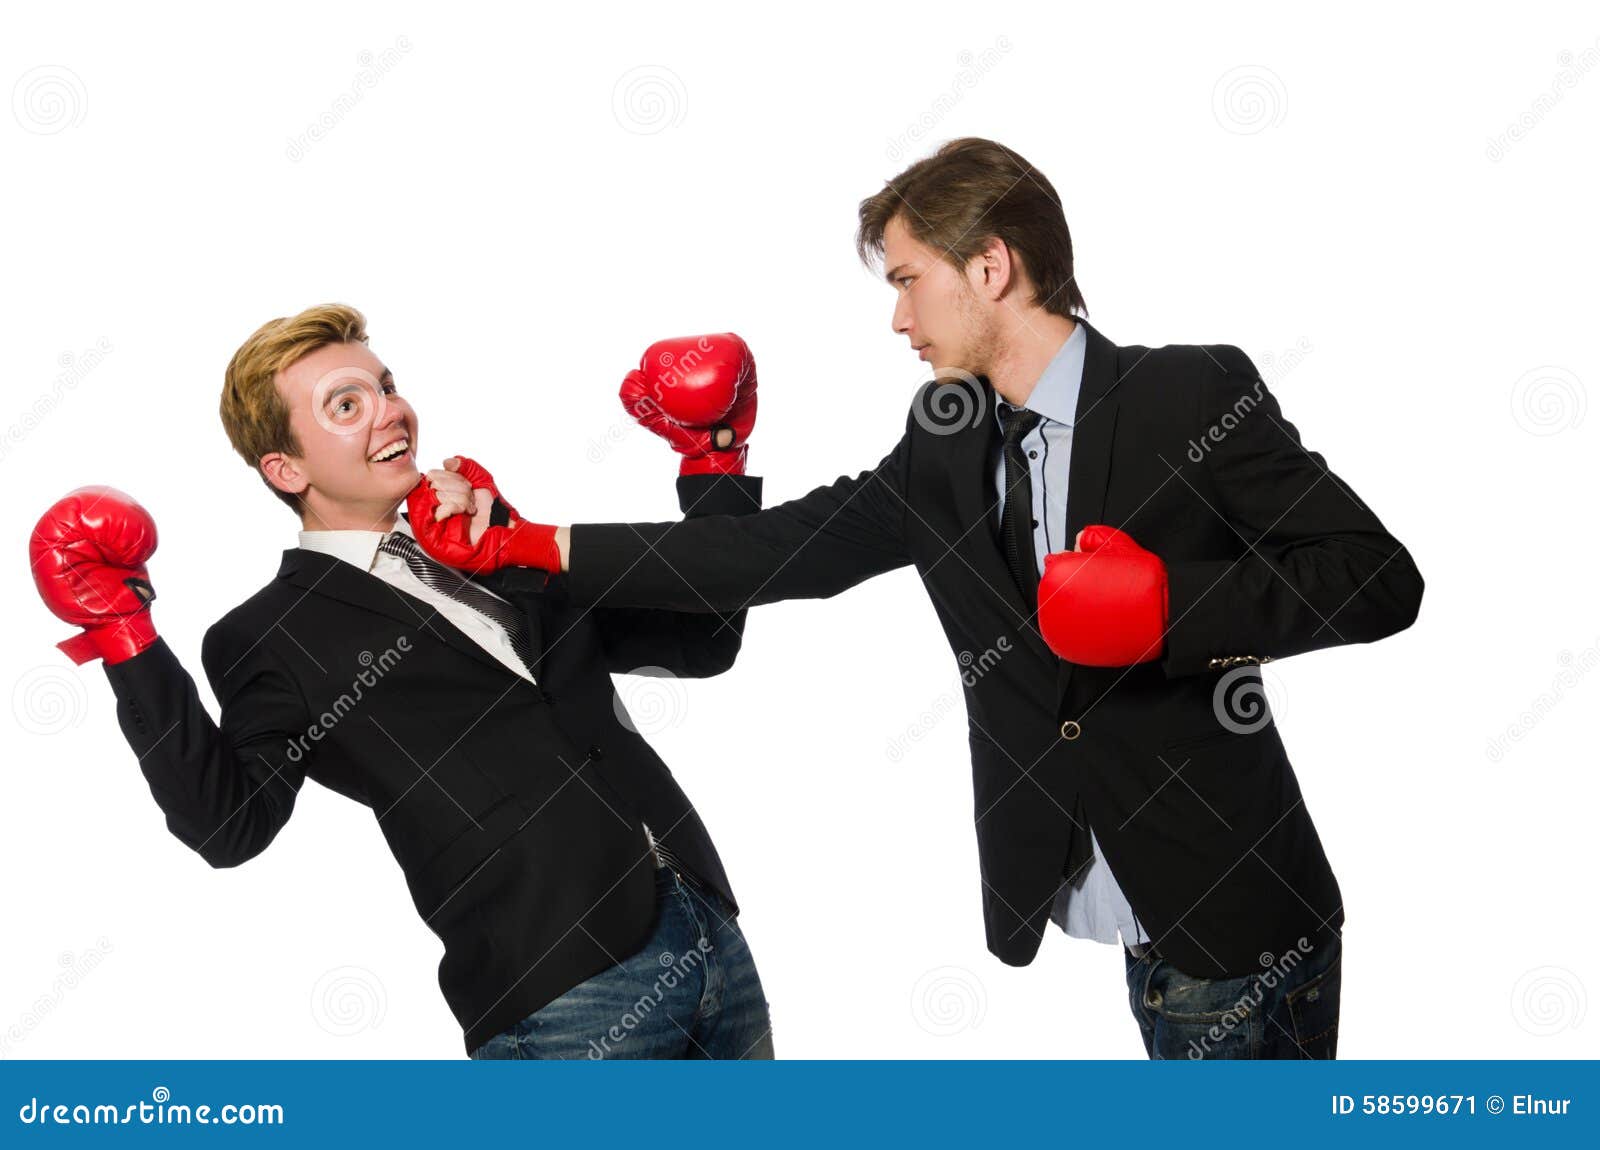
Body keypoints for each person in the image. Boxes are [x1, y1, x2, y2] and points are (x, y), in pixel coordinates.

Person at [413, 139, 1425, 1059]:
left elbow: (1374, 576)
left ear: (990, 267)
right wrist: (529, 542)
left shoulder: (1186, 394)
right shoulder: (947, 440)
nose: (897, 317)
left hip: (1238, 910)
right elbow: (780, 552)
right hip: (1109, 900)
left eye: (907, 280)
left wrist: (1170, 607)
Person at [29, 304, 774, 1060]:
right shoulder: (269, 636)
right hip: (563, 994)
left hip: (707, 933)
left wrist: (712, 458)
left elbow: (700, 642)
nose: (390, 412)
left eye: (386, 387)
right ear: (286, 469)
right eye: (347, 405)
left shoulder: (486, 534)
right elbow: (228, 826)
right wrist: (124, 636)